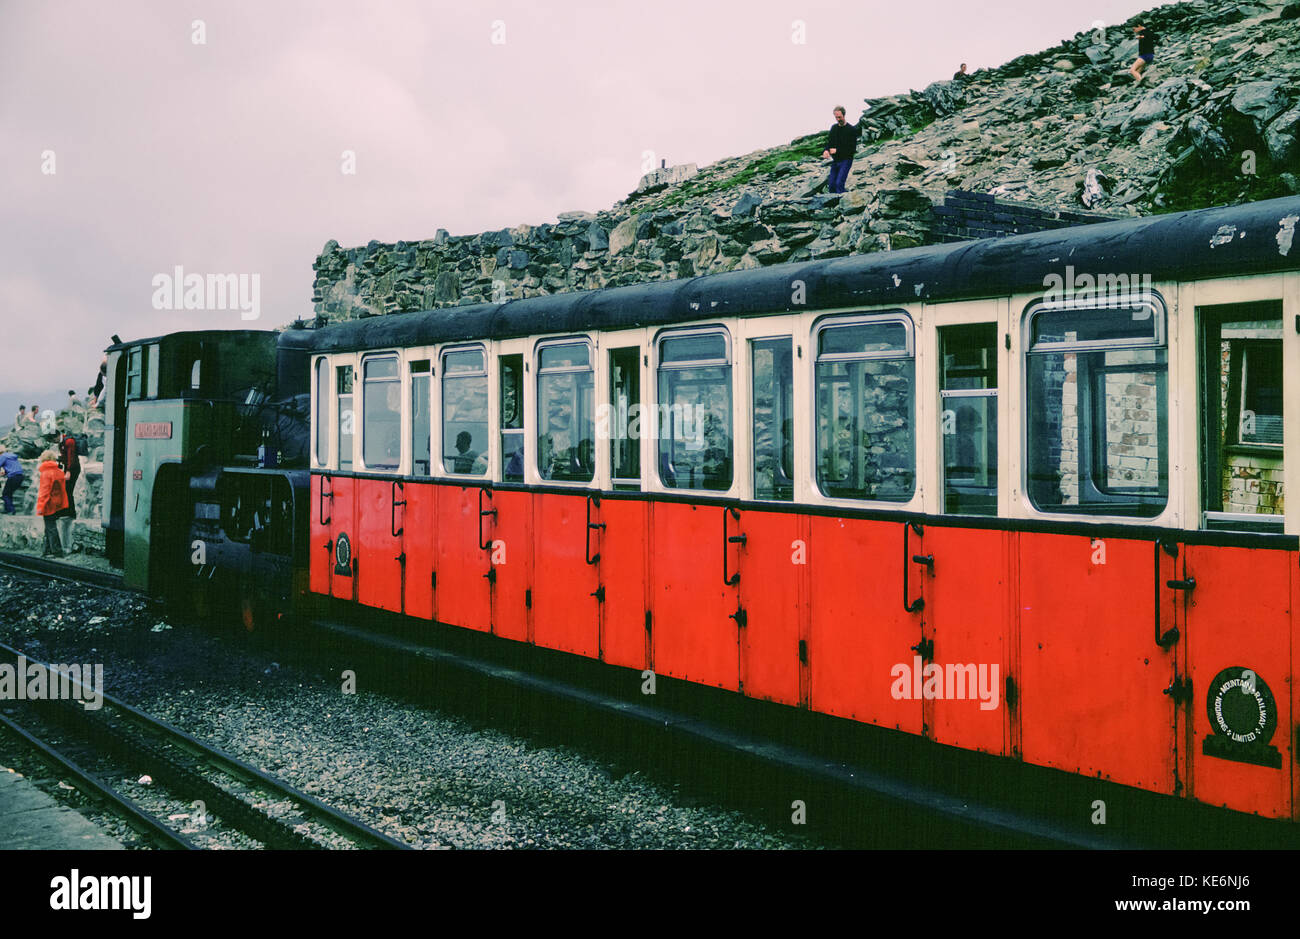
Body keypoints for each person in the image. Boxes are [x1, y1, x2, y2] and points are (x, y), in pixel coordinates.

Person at [822, 106, 862, 195]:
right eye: (836, 117)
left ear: (844, 115)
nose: (838, 119)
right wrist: (826, 150)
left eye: (839, 117)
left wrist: (837, 151)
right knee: (831, 185)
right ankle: (832, 205)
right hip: (835, 161)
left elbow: (852, 149)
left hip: (846, 160)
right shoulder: (834, 128)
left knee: (839, 184)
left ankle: (843, 205)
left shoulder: (851, 130)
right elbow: (830, 143)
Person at [35, 449, 68, 557]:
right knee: (49, 527)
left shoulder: (46, 472)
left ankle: (57, 552)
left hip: (49, 503)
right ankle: (47, 550)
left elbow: (44, 491)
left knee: (51, 527)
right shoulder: (58, 471)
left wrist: (40, 506)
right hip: (57, 502)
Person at [56, 431, 81, 550]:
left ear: (56, 436)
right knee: (65, 490)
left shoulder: (69, 441)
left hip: (74, 468)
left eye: (53, 440)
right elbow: (65, 456)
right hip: (68, 468)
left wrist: (69, 471)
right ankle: (66, 511)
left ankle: (70, 512)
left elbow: (71, 456)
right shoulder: (62, 442)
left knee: (68, 490)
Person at [0, 445, 24, 515]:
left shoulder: (3, 456)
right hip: (20, 476)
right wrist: (4, 473)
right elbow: (12, 467)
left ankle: (11, 510)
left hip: (13, 477)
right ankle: (8, 509)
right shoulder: (11, 456)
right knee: (9, 493)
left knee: (5, 494)